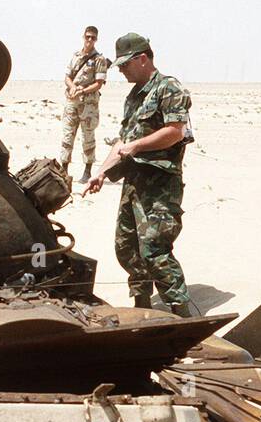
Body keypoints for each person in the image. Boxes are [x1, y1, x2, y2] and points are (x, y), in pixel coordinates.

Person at [87, 33, 194, 316]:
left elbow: (174, 132)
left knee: (155, 249)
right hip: (133, 182)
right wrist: (101, 173)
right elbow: (122, 142)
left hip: (160, 183)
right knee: (127, 248)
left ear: (142, 58)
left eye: (125, 65)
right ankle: (143, 307)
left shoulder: (169, 88)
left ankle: (181, 312)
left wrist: (137, 146)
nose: (121, 71)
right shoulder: (133, 97)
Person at [59, 26, 111, 184]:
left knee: (87, 137)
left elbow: (98, 83)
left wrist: (82, 91)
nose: (90, 40)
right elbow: (67, 76)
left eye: (93, 38)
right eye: (88, 36)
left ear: (96, 40)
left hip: (88, 105)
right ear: (83, 36)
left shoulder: (99, 60)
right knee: (67, 135)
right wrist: (72, 87)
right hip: (71, 102)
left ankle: (87, 171)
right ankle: (64, 171)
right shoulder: (75, 56)